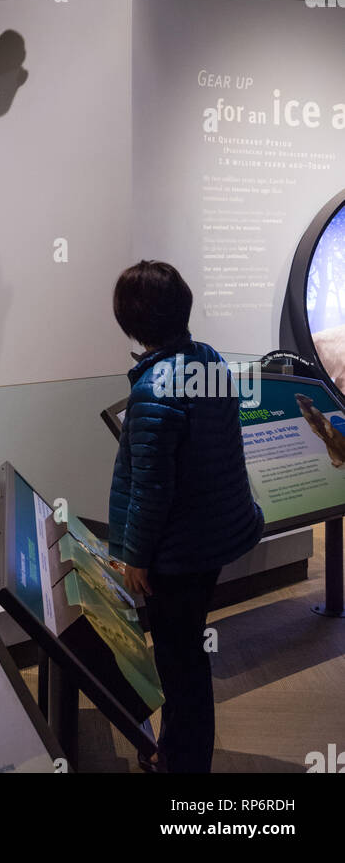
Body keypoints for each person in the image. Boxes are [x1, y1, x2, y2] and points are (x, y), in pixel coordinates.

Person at [107, 260, 264, 774]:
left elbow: (152, 491)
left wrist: (135, 556)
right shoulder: (207, 360)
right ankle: (179, 749)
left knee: (180, 664)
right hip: (213, 535)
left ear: (132, 320)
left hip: (178, 552)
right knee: (187, 654)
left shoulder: (155, 389)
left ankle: (182, 763)